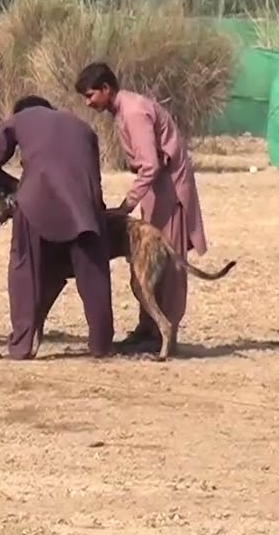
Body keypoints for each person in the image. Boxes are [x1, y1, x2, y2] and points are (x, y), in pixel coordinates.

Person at [73, 62, 207, 352]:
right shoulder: (124, 109)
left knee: (168, 265)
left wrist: (126, 205)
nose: (88, 102)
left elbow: (150, 165)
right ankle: (147, 329)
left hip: (168, 190)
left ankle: (163, 335)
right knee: (147, 264)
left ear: (106, 89)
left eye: (90, 95)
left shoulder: (133, 111)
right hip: (157, 190)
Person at [0, 95, 114, 360]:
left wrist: (11, 184)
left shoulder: (21, 118)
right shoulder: (83, 126)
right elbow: (94, 179)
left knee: (24, 269)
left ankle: (21, 346)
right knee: (93, 273)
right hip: (83, 204)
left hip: (36, 199)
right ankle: (102, 344)